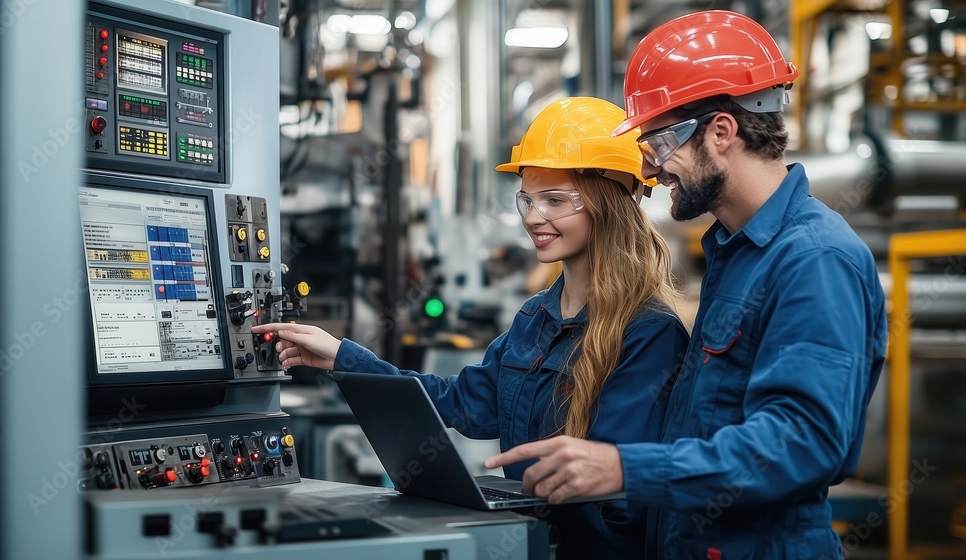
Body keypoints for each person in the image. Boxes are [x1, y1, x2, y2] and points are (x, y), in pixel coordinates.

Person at [485, 10, 888, 560]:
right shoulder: (733, 250)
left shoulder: (814, 261)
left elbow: (804, 443)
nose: (649, 171)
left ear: (721, 131)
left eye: (660, 141)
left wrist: (625, 466)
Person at [254, 97, 689, 559]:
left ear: (610, 203)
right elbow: (463, 404)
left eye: (555, 200)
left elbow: (622, 503)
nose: (532, 217)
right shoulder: (535, 318)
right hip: (525, 540)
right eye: (528, 198)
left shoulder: (648, 334)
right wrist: (344, 357)